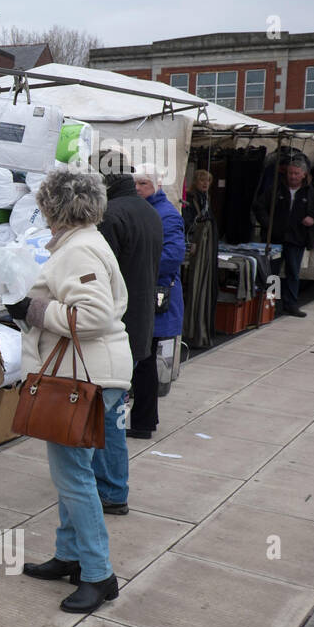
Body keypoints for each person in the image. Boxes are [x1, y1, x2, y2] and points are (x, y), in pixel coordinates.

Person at [5, 168, 133, 614]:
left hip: (86, 378)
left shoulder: (79, 250)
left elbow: (94, 315)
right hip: (92, 374)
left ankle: (99, 575)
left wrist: (32, 309)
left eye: (43, 205)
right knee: (71, 474)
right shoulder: (82, 244)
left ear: (55, 207)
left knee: (75, 478)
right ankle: (71, 556)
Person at [92, 149, 161, 514]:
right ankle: (107, 484)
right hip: (139, 324)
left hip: (116, 328)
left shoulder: (111, 217)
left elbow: (103, 282)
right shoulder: (148, 212)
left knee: (108, 413)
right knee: (112, 411)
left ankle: (113, 490)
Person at [128, 165, 186, 439]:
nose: (138, 188)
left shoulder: (167, 215)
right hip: (147, 296)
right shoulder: (149, 211)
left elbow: (173, 257)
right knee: (143, 361)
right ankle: (141, 420)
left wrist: (135, 267)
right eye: (136, 184)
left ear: (157, 185)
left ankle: (143, 422)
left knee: (145, 361)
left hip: (153, 299)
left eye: (144, 184)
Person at [253, 153, 314, 318]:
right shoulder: (276, 188)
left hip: (297, 238)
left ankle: (290, 304)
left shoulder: (312, 191)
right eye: (290, 173)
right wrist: (267, 223)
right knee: (273, 272)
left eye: (296, 174)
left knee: (293, 271)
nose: (292, 177)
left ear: (304, 174)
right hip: (275, 238)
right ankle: (271, 304)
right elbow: (259, 206)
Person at [182, 168, 214, 235]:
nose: (205, 183)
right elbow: (186, 218)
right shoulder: (189, 197)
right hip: (192, 234)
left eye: (208, 180)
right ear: (195, 182)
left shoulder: (206, 197)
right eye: (202, 180)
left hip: (203, 232)